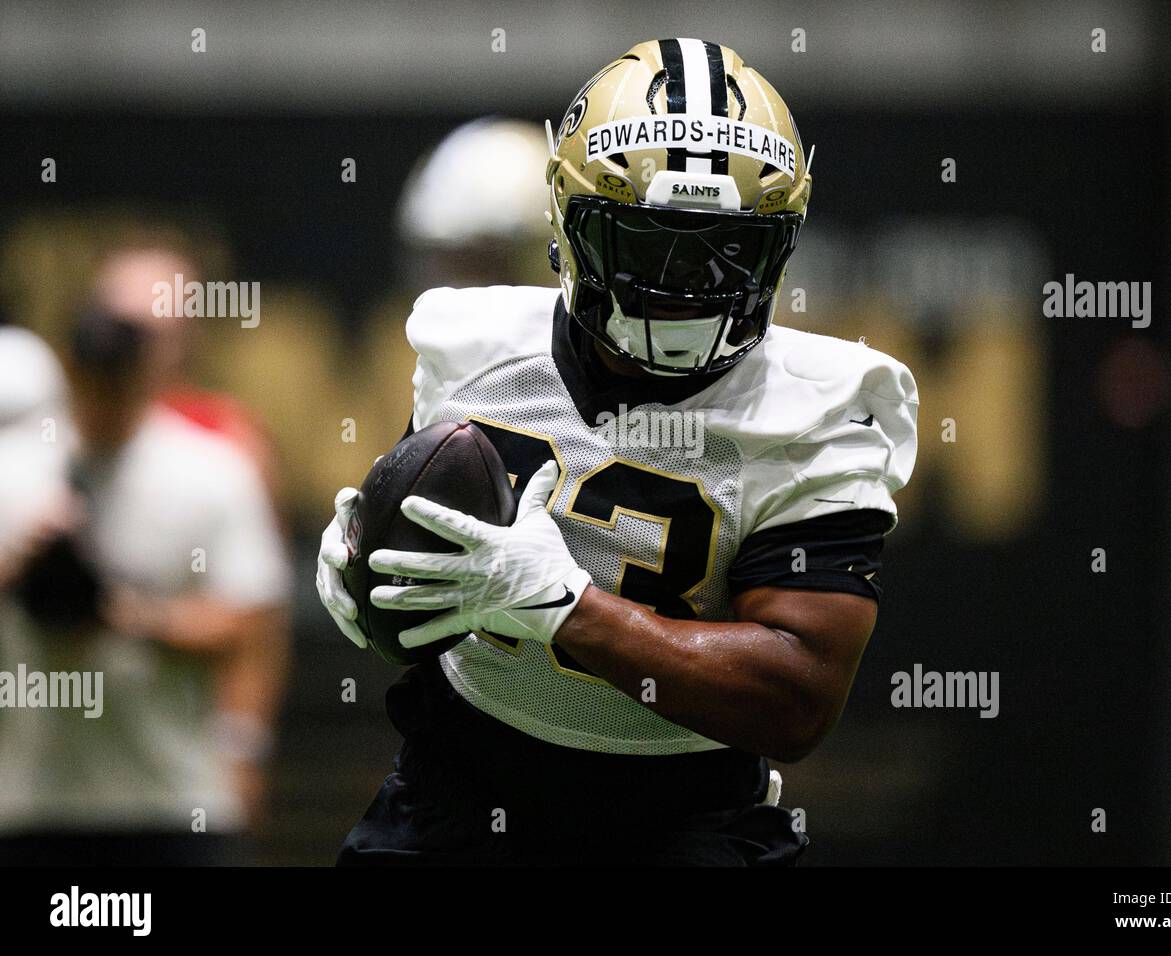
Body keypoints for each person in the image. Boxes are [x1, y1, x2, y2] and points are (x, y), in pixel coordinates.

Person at [317, 38, 919, 866]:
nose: (688, 286)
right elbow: (440, 512)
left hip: (679, 823)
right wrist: (370, 552)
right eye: (648, 242)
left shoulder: (820, 409)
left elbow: (796, 699)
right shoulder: (476, 342)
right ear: (568, 221)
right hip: (453, 793)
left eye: (727, 248)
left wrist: (570, 610)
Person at [0, 246, 291, 865]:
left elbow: (253, 625)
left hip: (172, 800)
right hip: (34, 800)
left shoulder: (218, 456)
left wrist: (123, 612)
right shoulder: (17, 466)